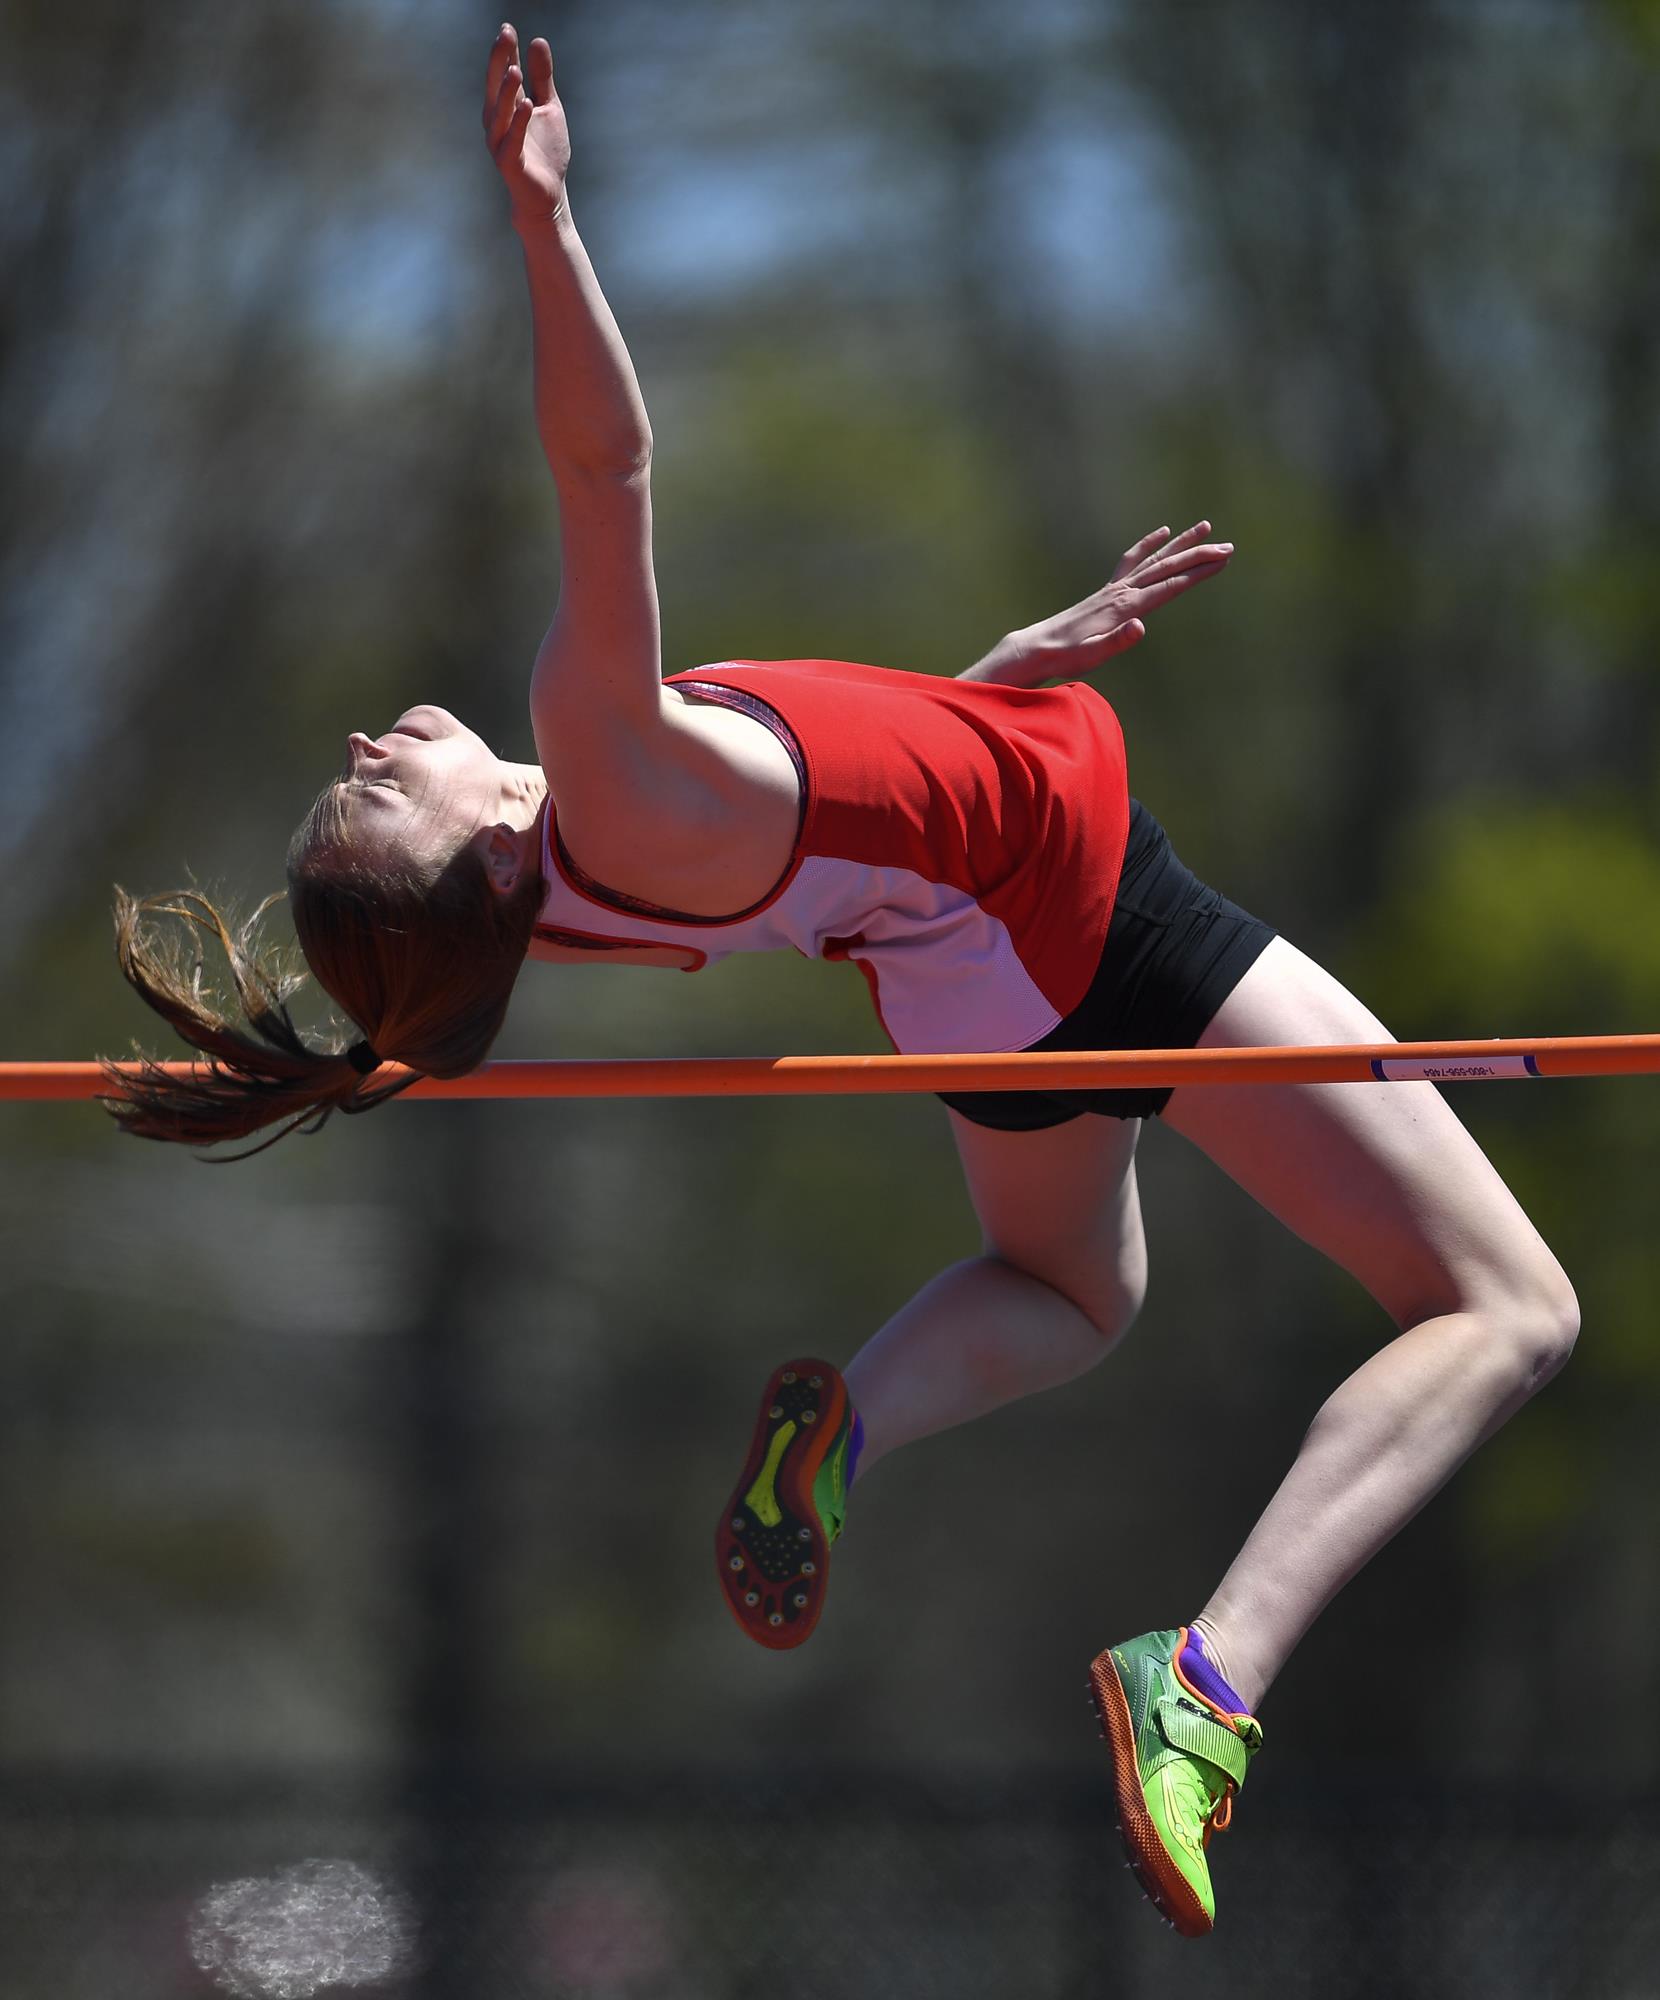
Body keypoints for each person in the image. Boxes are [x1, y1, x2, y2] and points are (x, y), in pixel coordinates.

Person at [108, 26, 1579, 1939]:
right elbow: (606, 459)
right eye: (374, 792)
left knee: (1071, 1287)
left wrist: (993, 679)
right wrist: (548, 230)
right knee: (1507, 1307)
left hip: (968, 966)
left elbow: (842, 813)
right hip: (1083, 920)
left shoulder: (564, 894)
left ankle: (845, 1429)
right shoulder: (599, 762)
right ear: (473, 852)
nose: (368, 746)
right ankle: (1207, 1685)